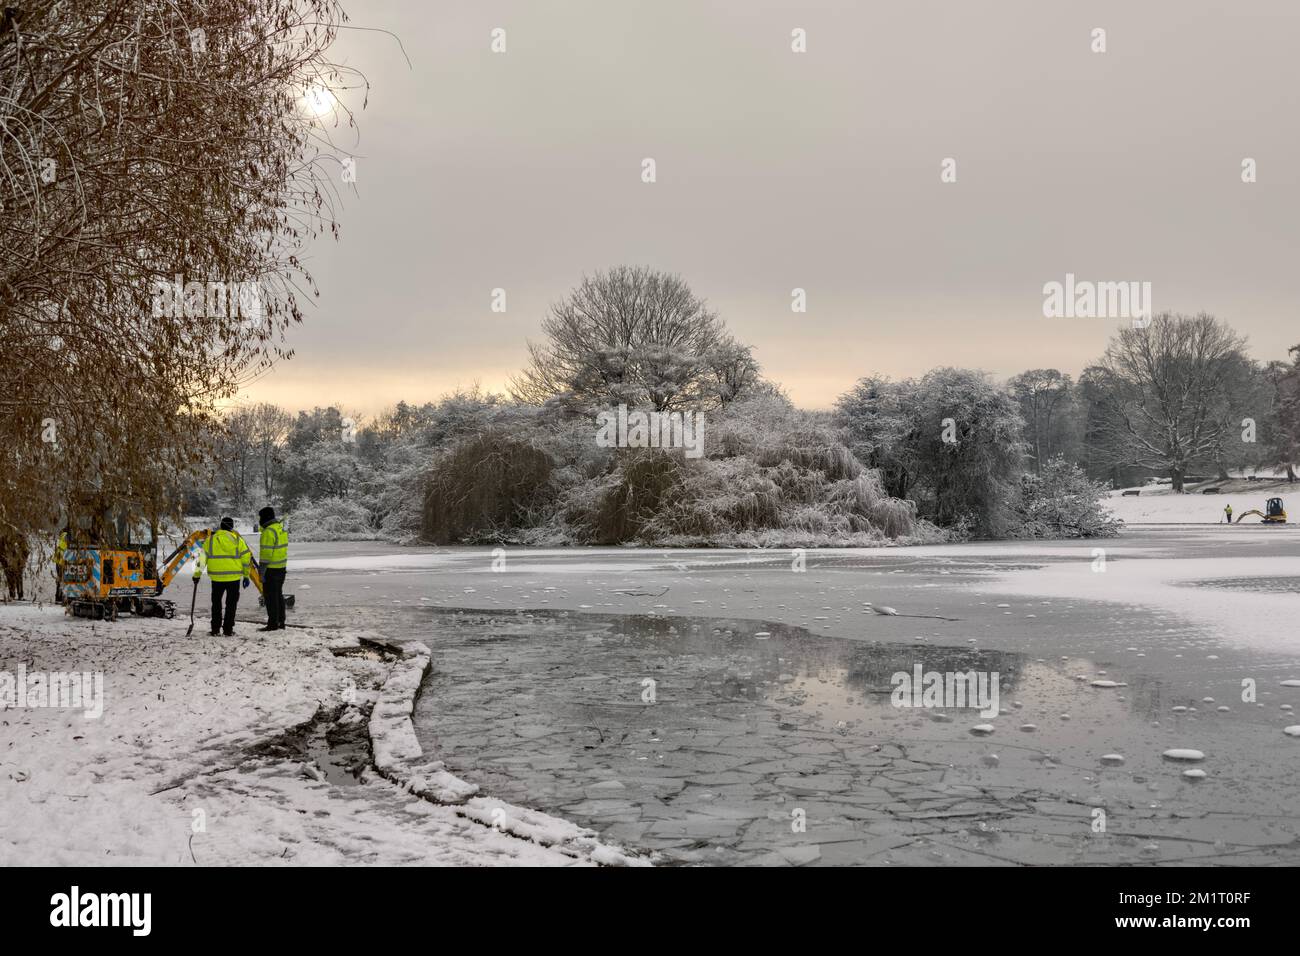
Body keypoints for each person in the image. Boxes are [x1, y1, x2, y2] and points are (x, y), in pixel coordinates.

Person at [193, 516, 252, 636]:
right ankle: (228, 630)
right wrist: (246, 575)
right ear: (232, 527)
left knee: (216, 604)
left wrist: (197, 575)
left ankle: (215, 629)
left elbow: (202, 559)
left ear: (221, 526)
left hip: (217, 579)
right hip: (234, 579)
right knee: (231, 605)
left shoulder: (210, 540)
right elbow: (246, 558)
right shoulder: (237, 540)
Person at [255, 506, 289, 631]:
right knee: (278, 595)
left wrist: (261, 572)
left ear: (265, 517)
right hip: (281, 567)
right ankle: (281, 621)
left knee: (270, 597)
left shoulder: (269, 531)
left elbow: (266, 555)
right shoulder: (280, 528)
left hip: (271, 569)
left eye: (260, 517)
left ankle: (273, 623)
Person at [53, 528, 68, 603]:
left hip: (59, 559)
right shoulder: (67, 536)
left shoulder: (62, 536)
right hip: (64, 559)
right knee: (64, 580)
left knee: (59, 579)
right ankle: (61, 597)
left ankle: (58, 597)